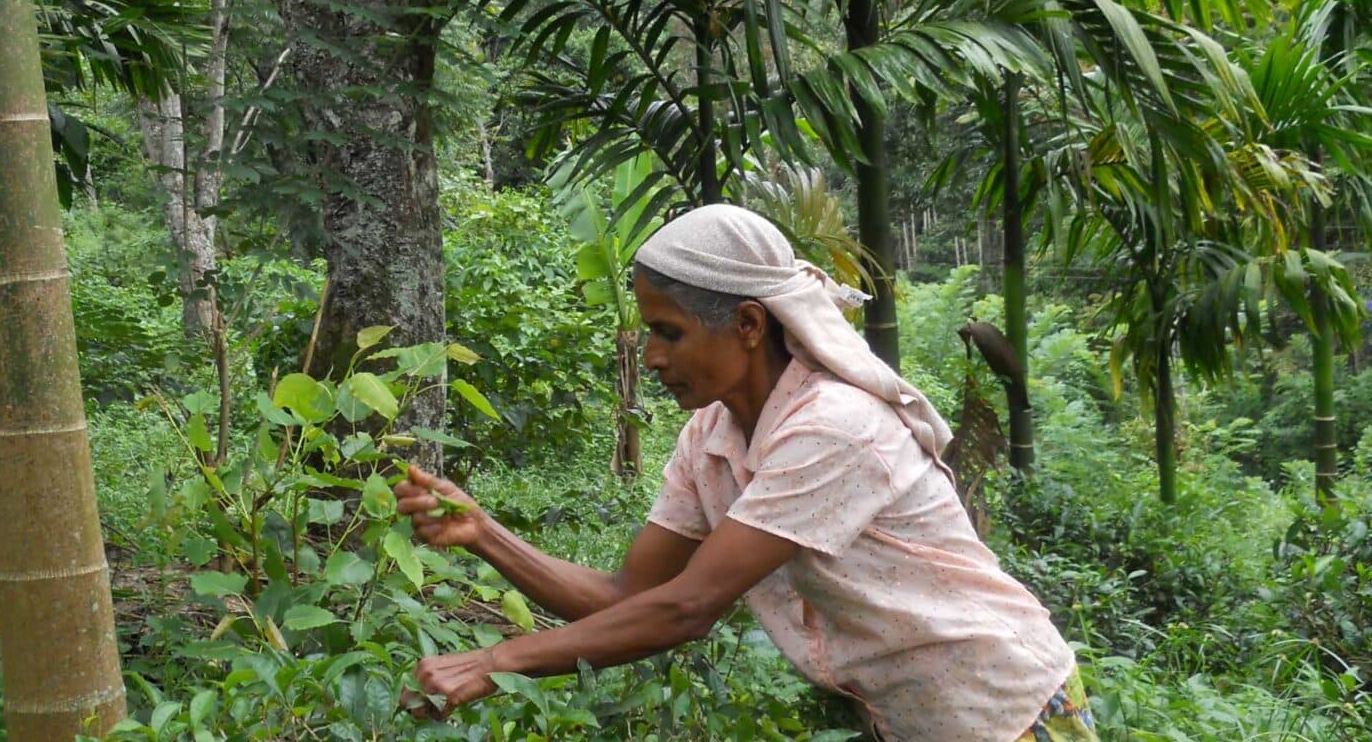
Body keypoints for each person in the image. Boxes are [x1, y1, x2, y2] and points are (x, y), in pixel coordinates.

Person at [394, 204, 1097, 741]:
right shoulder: (711, 435)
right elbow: (628, 596)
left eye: (669, 332)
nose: (654, 357)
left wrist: (495, 661)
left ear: (750, 326)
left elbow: (687, 608)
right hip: (908, 717)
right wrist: (486, 534)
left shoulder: (832, 427)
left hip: (1007, 710)